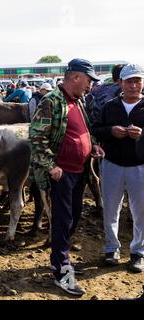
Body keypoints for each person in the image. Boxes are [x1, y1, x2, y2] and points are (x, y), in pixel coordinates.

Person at [30, 58, 105, 296]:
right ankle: (62, 271)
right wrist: (51, 166)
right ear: (75, 77)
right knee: (63, 221)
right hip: (62, 173)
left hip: (79, 170)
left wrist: (92, 145)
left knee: (72, 217)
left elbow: (83, 130)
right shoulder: (51, 101)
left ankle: (60, 259)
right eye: (88, 80)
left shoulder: (77, 101)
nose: (90, 85)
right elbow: (36, 137)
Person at [92, 64, 144, 273]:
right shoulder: (110, 106)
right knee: (110, 209)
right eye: (129, 81)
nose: (134, 85)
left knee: (140, 212)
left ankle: (138, 252)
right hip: (112, 164)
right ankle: (111, 248)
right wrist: (110, 131)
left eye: (138, 80)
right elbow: (95, 130)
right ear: (120, 83)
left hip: (140, 166)